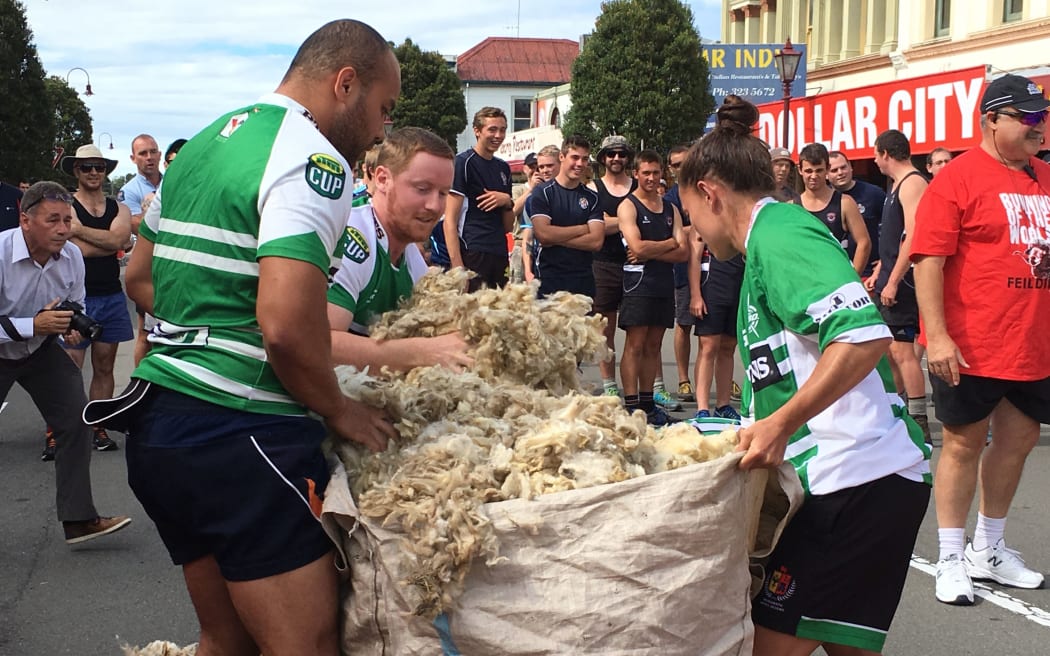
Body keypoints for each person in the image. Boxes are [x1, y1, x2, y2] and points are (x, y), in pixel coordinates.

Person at [99, 20, 401, 655]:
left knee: (225, 641)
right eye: (382, 109)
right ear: (345, 83)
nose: (380, 132)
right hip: (243, 435)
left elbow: (140, 276)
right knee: (304, 646)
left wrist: (213, 327)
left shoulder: (206, 143)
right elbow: (288, 328)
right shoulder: (311, 159)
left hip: (162, 429)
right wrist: (341, 408)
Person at [677, 96, 929, 655]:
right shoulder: (765, 245)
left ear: (709, 193)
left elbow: (863, 335)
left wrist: (781, 424)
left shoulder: (779, 235)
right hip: (865, 482)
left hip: (851, 481)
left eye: (688, 210)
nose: (692, 229)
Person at [912, 73, 1050, 606]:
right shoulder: (958, 179)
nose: (1040, 127)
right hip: (971, 342)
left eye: (1043, 118)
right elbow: (928, 262)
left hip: (1030, 342)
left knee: (1017, 443)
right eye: (1029, 118)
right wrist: (938, 336)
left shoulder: (1044, 177)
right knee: (964, 445)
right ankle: (950, 556)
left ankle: (988, 549)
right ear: (991, 119)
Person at [0, 182, 132, 543]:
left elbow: (77, 305)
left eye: (67, 220)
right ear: (26, 221)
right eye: (52, 220)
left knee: (77, 421)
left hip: (40, 351)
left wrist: (71, 329)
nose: (63, 229)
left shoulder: (71, 256)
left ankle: (78, 519)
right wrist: (34, 324)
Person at [328, 127, 473, 372]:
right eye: (422, 189)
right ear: (383, 180)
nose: (435, 206)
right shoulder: (353, 240)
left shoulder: (413, 260)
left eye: (443, 193)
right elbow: (319, 344)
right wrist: (423, 352)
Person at [57, 144, 134, 454]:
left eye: (99, 167)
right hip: (73, 297)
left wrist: (81, 231)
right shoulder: (65, 205)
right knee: (68, 368)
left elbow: (119, 240)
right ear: (76, 170)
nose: (93, 172)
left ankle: (96, 427)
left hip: (111, 295)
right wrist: (110, 243)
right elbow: (75, 249)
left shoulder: (119, 208)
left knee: (105, 367)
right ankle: (60, 429)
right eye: (86, 166)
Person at [867, 130, 930, 444]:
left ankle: (919, 421)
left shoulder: (913, 183)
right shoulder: (896, 186)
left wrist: (893, 280)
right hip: (891, 276)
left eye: (876, 155)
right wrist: (880, 270)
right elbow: (893, 239)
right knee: (891, 351)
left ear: (885, 153)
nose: (875, 162)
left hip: (904, 283)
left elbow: (914, 237)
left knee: (904, 353)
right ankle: (900, 410)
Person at [617, 149, 689, 426]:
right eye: (645, 173)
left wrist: (655, 249)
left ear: (663, 174)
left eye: (655, 172)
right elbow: (636, 247)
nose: (650, 177)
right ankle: (631, 404)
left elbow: (683, 252)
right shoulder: (629, 205)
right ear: (636, 174)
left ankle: (648, 405)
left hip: (663, 282)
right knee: (635, 344)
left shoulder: (670, 208)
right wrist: (669, 243)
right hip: (638, 284)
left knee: (654, 345)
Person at [444, 107, 514, 291]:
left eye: (503, 129)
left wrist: (507, 201)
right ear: (477, 130)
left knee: (499, 313)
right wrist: (458, 267)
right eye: (492, 129)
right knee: (472, 315)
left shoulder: (503, 168)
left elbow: (508, 226)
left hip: (499, 250)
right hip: (473, 250)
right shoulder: (463, 163)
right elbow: (449, 221)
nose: (498, 135)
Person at [589, 135, 636, 398]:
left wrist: (613, 221)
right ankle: (609, 385)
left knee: (638, 330)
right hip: (604, 263)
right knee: (605, 329)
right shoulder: (595, 189)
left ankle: (642, 385)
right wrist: (628, 220)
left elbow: (648, 220)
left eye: (621, 154)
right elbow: (595, 226)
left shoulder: (638, 186)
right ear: (603, 158)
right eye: (610, 154)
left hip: (636, 265)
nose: (616, 158)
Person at [529, 135, 604, 298]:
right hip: (550, 280)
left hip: (583, 281)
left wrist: (556, 238)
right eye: (575, 158)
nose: (579, 164)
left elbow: (596, 241)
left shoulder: (592, 197)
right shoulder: (543, 192)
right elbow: (543, 235)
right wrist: (582, 229)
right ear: (562, 157)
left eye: (584, 159)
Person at [798, 142, 871, 275]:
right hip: (804, 281)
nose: (814, 176)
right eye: (809, 171)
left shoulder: (845, 202)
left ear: (827, 169)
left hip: (836, 279)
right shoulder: (792, 206)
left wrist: (852, 278)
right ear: (800, 170)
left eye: (819, 170)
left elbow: (864, 242)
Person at [666, 144, 697, 402]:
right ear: (671, 169)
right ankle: (683, 379)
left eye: (685, 162)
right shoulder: (670, 199)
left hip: (713, 265)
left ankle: (727, 378)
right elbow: (673, 237)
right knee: (684, 324)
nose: (682, 168)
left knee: (719, 332)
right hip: (682, 268)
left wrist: (688, 229)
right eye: (676, 165)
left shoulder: (706, 189)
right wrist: (696, 227)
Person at [828, 150, 885, 279]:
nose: (840, 173)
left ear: (851, 167)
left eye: (843, 167)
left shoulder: (874, 194)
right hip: (836, 274)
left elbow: (892, 230)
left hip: (870, 274)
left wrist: (884, 261)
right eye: (834, 170)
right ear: (826, 174)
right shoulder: (823, 200)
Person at [520, 145, 560, 282]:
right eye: (541, 167)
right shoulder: (532, 199)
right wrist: (527, 271)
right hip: (542, 269)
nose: (545, 171)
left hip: (574, 268)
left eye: (549, 166)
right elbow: (528, 237)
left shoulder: (578, 194)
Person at [118, 134, 163, 235]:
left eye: (153, 152)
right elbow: (135, 225)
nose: (149, 157)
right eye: (143, 153)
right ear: (133, 158)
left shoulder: (171, 183)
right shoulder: (128, 191)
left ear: (159, 155)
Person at [509, 151, 540, 283]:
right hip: (521, 243)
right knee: (517, 288)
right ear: (525, 169)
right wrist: (531, 188)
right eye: (532, 166)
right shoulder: (518, 189)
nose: (536, 170)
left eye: (538, 166)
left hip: (541, 244)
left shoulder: (545, 189)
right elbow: (513, 210)